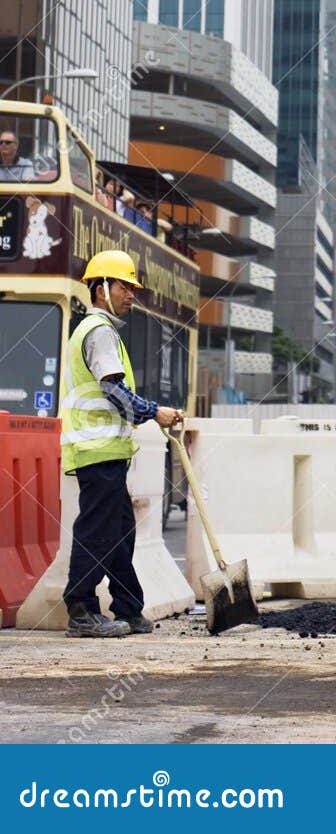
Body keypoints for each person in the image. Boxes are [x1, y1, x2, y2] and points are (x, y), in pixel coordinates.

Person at [61, 249, 183, 638]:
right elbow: (114, 391)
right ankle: (81, 609)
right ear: (101, 289)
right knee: (98, 530)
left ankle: (128, 606)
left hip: (106, 451)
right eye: (124, 287)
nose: (131, 295)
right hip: (96, 450)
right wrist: (154, 412)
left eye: (132, 288)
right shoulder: (98, 331)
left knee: (119, 530)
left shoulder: (100, 329)